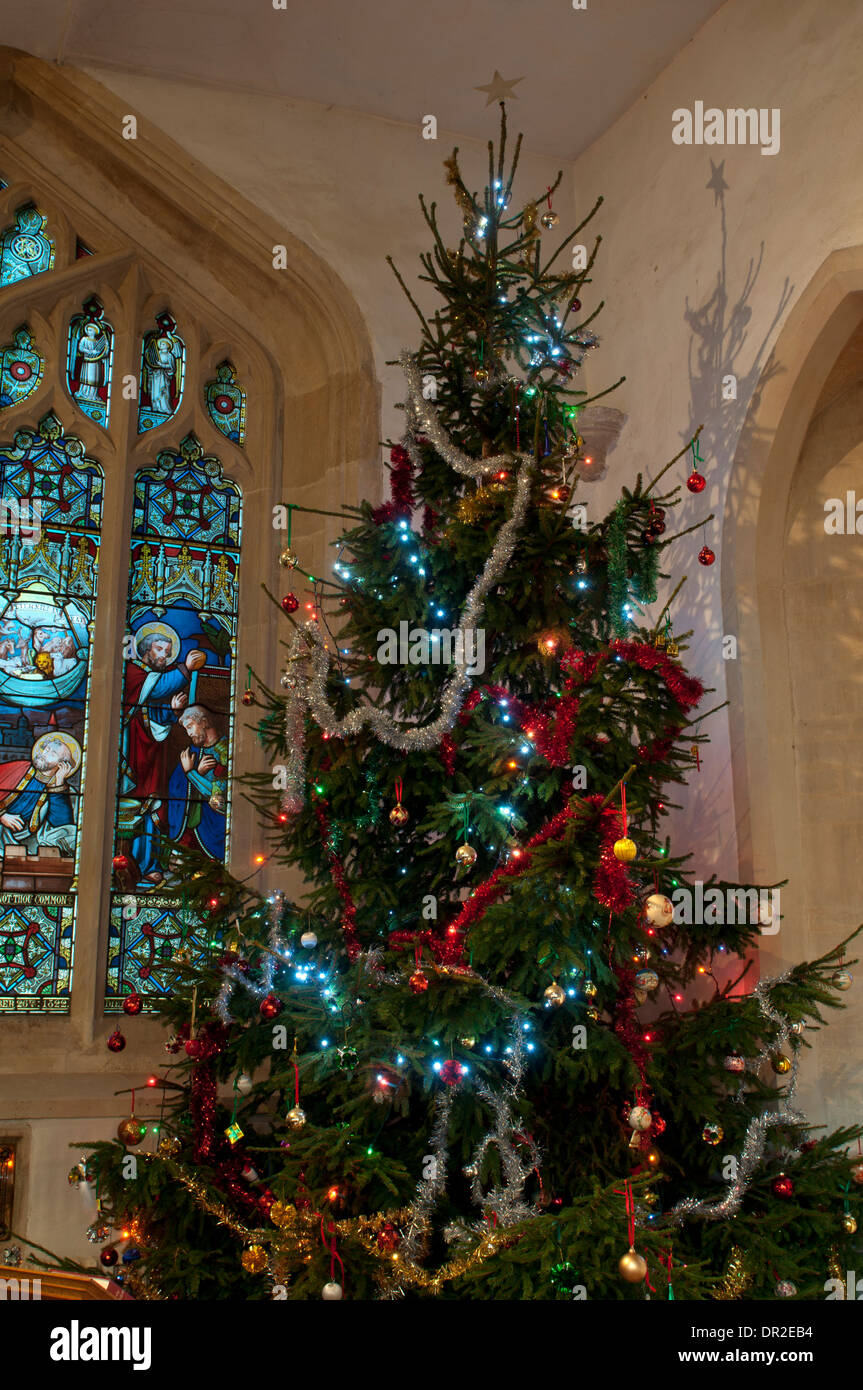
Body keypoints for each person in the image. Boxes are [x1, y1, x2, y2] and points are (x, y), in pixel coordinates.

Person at [167, 704, 228, 862]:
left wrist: (191, 773)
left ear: (204, 722)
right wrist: (195, 773)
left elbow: (216, 794)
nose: (189, 733)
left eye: (190, 726)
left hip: (217, 824)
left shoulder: (225, 751)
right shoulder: (192, 753)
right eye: (186, 729)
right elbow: (174, 788)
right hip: (192, 825)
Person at [0, 737, 76, 856]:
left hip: (30, 841)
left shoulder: (63, 790)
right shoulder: (17, 768)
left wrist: (59, 783)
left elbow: (62, 826)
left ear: (62, 765)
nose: (45, 754)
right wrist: (2, 815)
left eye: (53, 753)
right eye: (46, 749)